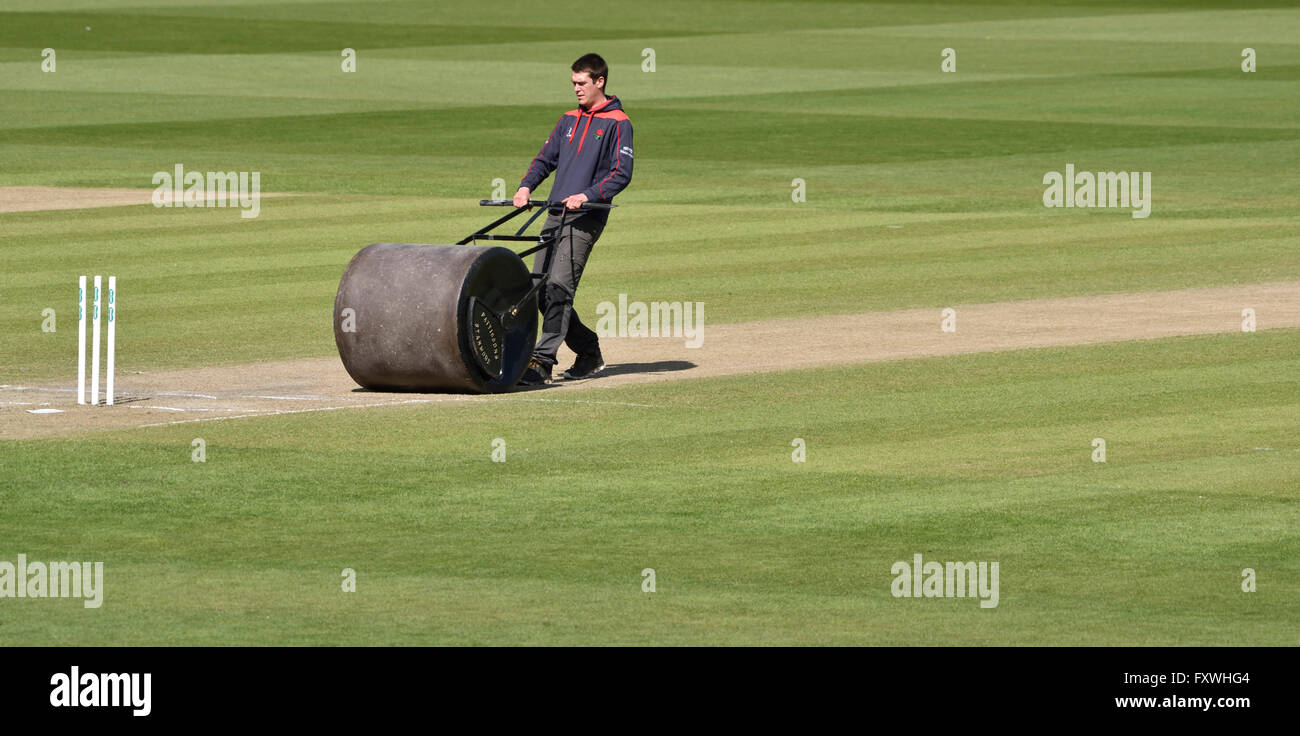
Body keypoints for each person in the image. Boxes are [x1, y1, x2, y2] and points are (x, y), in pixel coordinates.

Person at [514, 53, 633, 385]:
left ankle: (541, 362)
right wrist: (525, 187)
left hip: (586, 218)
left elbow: (621, 174)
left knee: (559, 287)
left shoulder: (618, 123)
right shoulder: (568, 119)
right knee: (538, 289)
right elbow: (545, 158)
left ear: (600, 81)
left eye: (581, 83)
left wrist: (588, 195)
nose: (576, 89)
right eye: (573, 84)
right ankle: (588, 350)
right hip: (554, 212)